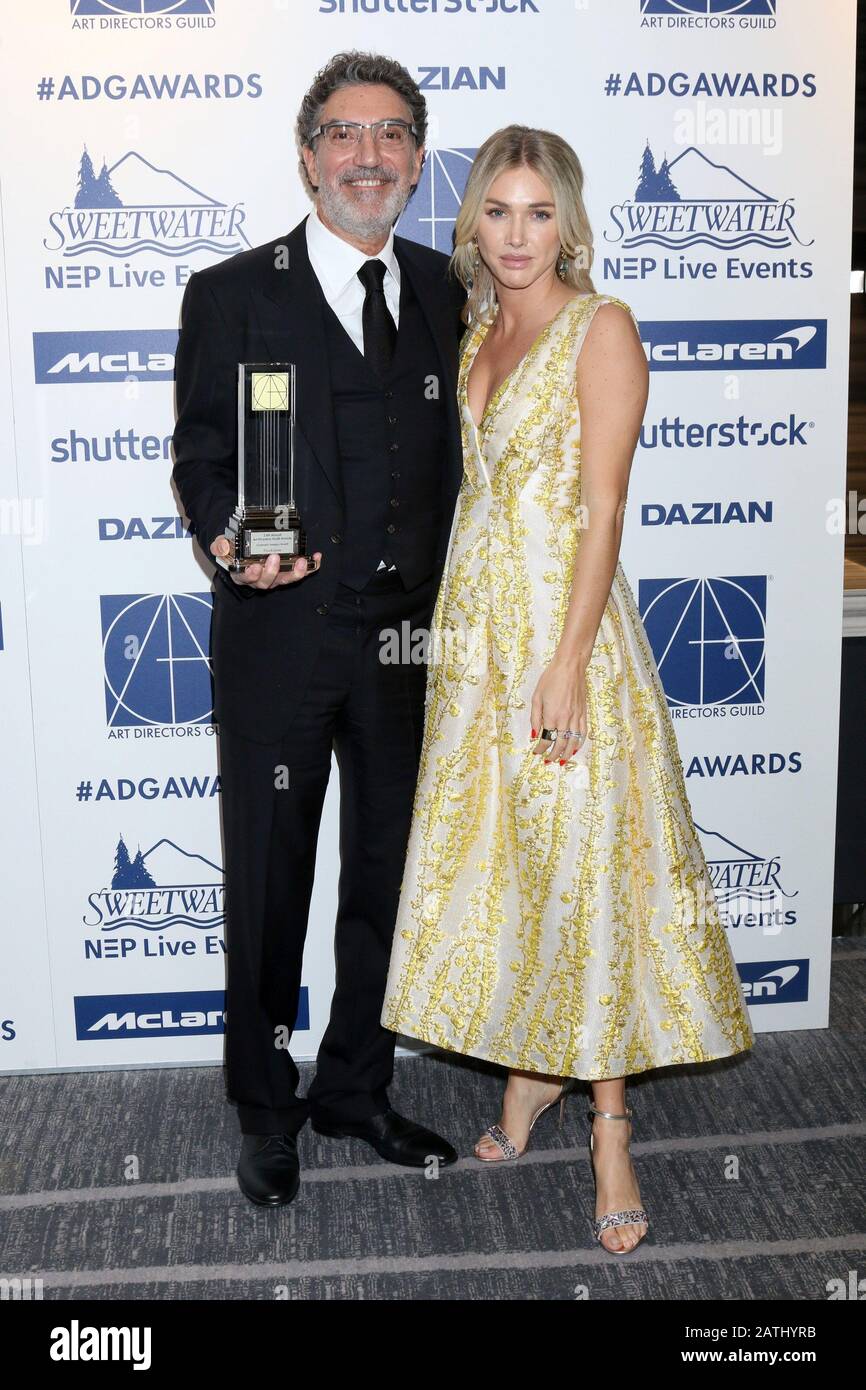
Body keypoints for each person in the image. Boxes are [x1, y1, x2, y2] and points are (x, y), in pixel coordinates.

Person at [381, 125, 755, 1253]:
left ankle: (608, 1129)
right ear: (470, 223)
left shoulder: (603, 329)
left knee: (586, 871)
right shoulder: (478, 326)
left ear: (570, 221)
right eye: (495, 210)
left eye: (537, 212)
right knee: (507, 869)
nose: (514, 233)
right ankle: (530, 1070)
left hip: (562, 641)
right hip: (476, 643)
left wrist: (565, 660)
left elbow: (603, 509)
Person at [172, 50, 465, 1207]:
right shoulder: (232, 292)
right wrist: (225, 535)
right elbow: (203, 454)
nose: (369, 156)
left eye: (391, 135)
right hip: (280, 634)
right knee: (269, 878)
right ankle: (263, 1102)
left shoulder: (450, 287)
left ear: (416, 161)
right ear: (307, 157)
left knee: (386, 883)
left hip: (407, 646)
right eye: (345, 134)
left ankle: (354, 1086)